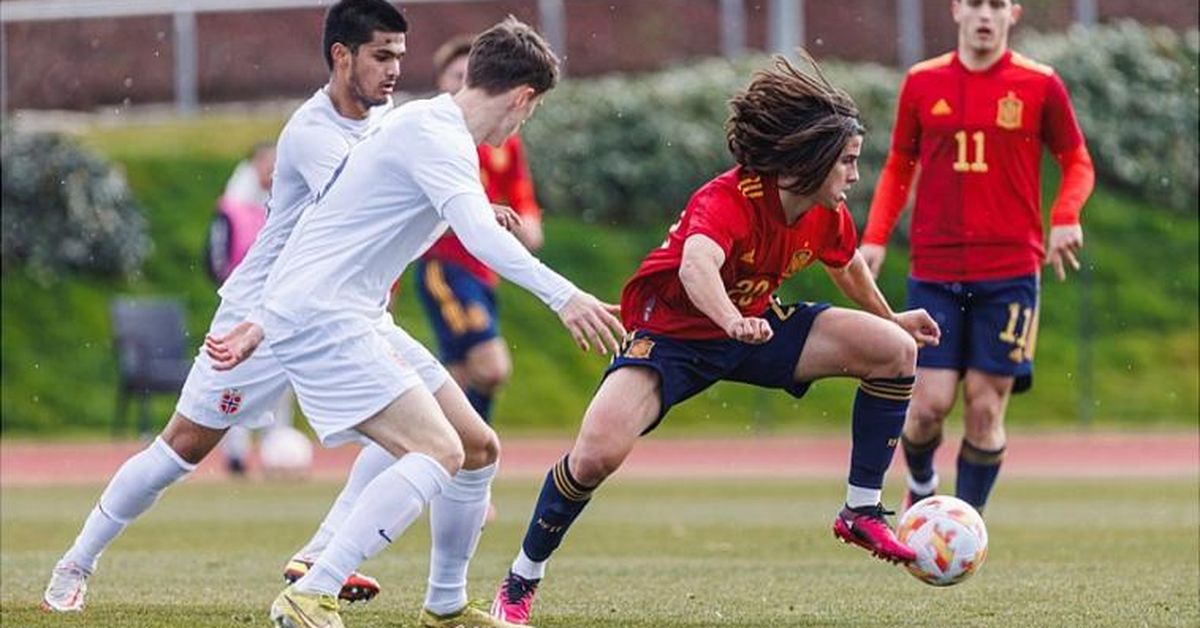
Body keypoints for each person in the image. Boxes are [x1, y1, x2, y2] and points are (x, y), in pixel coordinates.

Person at [203, 17, 625, 628]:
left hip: (346, 314)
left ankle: (446, 605)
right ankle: (310, 591)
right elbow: (479, 236)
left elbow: (330, 222)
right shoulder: (436, 136)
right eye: (528, 113)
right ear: (522, 98)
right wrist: (565, 297)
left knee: (478, 448)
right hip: (325, 318)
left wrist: (263, 318)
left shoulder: (423, 122)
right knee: (436, 450)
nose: (520, 126)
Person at [489, 55, 942, 625]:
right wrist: (729, 320)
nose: (855, 174)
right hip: (674, 335)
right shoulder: (728, 199)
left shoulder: (828, 212)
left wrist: (893, 317)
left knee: (893, 351)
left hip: (754, 325)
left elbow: (847, 265)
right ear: (812, 160)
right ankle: (521, 579)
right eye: (848, 162)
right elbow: (696, 266)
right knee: (596, 454)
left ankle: (861, 510)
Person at [40, 0, 406, 613]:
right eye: (381, 55)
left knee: (417, 433)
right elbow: (363, 209)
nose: (395, 69)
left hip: (341, 317)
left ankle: (320, 557)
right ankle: (77, 560)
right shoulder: (313, 133)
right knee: (179, 450)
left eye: (400, 55)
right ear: (342, 56)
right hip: (262, 315)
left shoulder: (388, 117)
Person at [859, 0, 1094, 514]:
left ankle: (964, 526)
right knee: (927, 409)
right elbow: (900, 164)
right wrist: (875, 236)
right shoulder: (923, 82)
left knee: (985, 409)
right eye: (974, 3)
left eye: (997, 3)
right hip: (936, 271)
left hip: (1010, 272)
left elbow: (1076, 161)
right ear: (956, 10)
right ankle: (922, 485)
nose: (985, 13)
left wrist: (1066, 215)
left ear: (1014, 12)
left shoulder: (1040, 84)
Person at [415, 34, 545, 425]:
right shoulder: (433, 135)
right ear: (442, 82)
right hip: (447, 268)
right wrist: (475, 218)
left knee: (458, 376)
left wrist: (527, 227)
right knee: (491, 366)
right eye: (456, 75)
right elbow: (423, 215)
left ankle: (443, 452)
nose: (463, 82)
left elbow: (523, 201)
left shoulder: (504, 140)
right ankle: (467, 448)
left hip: (484, 272)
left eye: (470, 74)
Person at [207, 141, 292, 476]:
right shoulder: (233, 206)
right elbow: (218, 256)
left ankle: (277, 445)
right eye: (268, 163)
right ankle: (236, 450)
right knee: (238, 376)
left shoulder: (282, 200)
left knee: (280, 374)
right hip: (244, 305)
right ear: (256, 163)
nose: (272, 171)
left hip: (278, 302)